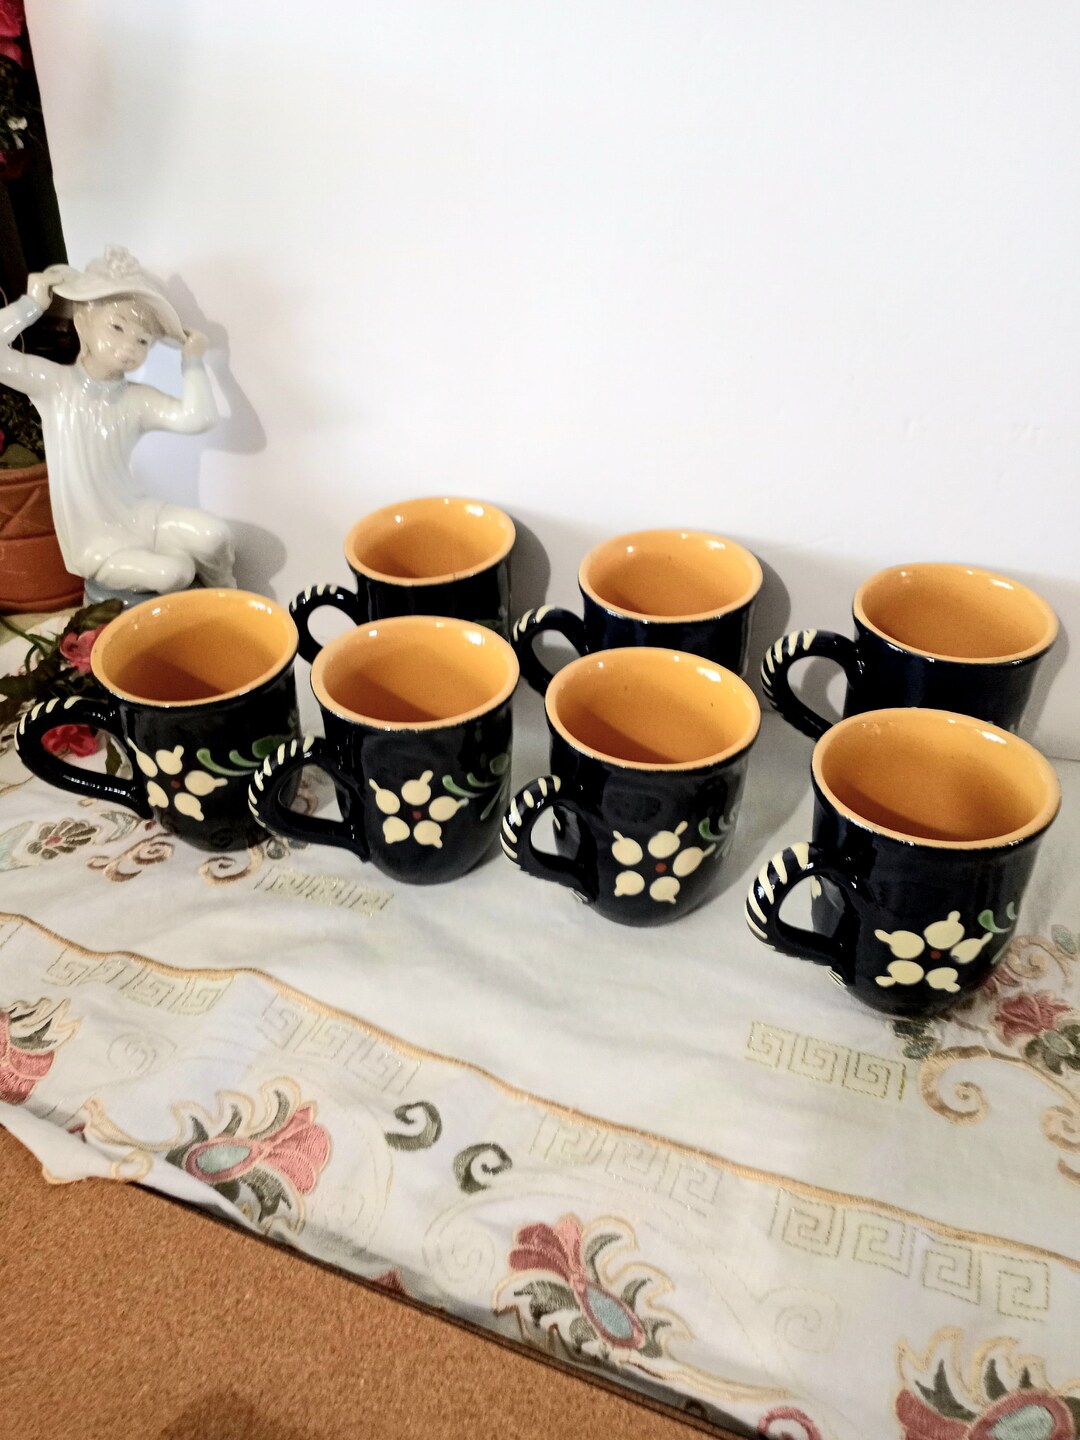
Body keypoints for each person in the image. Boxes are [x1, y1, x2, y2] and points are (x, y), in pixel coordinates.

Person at [0, 246, 235, 594]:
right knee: (175, 572)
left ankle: (230, 603)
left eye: (142, 340)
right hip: (96, 540)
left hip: (138, 515)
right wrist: (31, 304)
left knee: (214, 537)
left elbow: (197, 417)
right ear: (82, 322)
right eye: (116, 327)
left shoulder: (136, 399)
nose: (128, 346)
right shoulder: (55, 386)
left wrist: (193, 362)